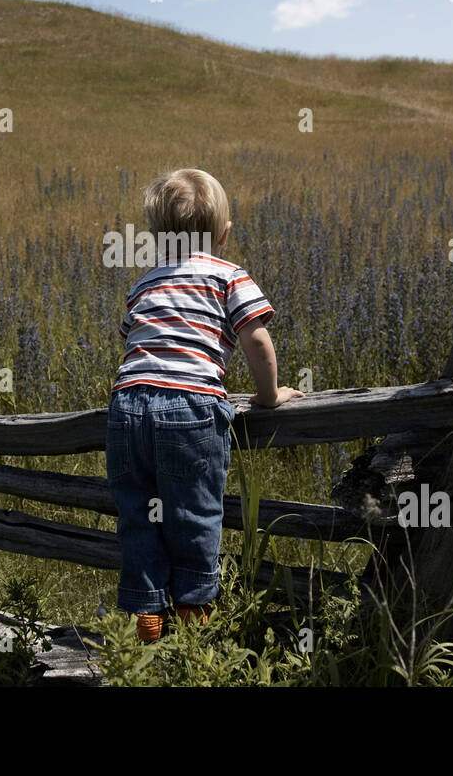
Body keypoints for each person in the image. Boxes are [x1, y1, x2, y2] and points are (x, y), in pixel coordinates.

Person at [106, 167, 304, 642]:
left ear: (155, 236)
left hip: (127, 406)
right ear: (224, 233)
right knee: (193, 513)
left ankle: (147, 622)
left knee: (139, 513)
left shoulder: (144, 284)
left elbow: (134, 340)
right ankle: (194, 623)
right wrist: (269, 395)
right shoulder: (228, 276)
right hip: (190, 408)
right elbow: (256, 341)